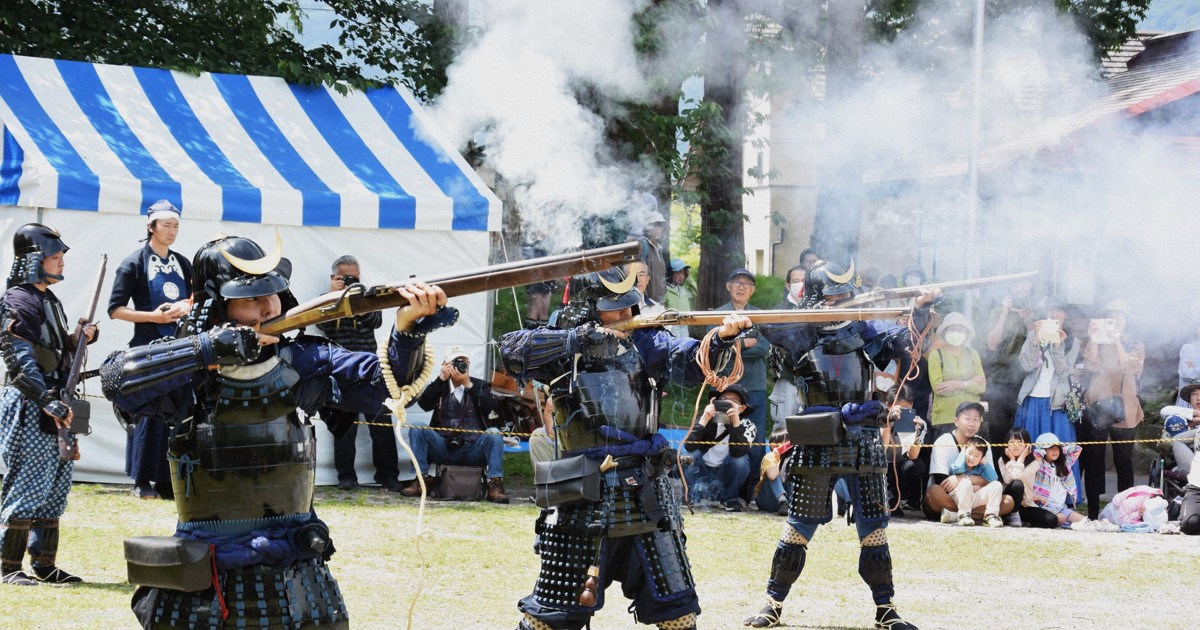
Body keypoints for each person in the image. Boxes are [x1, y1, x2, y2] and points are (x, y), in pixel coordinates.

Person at [100, 233, 452, 627]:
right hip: (208, 570)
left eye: (271, 294)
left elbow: (381, 385)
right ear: (217, 305)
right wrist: (208, 350)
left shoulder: (301, 357)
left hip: (296, 572)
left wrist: (408, 332)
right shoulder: (187, 368)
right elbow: (117, 380)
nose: (268, 307)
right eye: (251, 297)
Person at [501, 266, 751, 630]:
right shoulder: (560, 345)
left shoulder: (646, 341)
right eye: (612, 308)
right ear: (588, 309)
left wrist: (723, 339)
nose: (623, 316)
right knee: (548, 621)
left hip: (645, 489)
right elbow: (511, 350)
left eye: (626, 307)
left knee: (678, 616)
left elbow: (690, 360)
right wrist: (580, 340)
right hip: (581, 495)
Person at [741, 260, 936, 630]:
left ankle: (886, 609)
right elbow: (768, 325)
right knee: (798, 528)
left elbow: (906, 342)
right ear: (816, 297)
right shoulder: (801, 330)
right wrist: (805, 310)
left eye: (845, 294)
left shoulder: (864, 326)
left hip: (863, 437)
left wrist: (921, 309)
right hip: (817, 437)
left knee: (874, 528)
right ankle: (772, 603)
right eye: (832, 296)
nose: (840, 301)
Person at [0, 224, 98, 586]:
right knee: (27, 484)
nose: (60, 263)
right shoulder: (18, 300)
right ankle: (8, 566)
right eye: (54, 257)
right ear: (33, 260)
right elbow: (20, 361)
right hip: (31, 404)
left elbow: (55, 353)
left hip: (56, 401)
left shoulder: (48, 299)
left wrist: (79, 338)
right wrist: (45, 401)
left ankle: (43, 563)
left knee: (54, 487)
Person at [108, 200, 193, 500]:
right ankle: (142, 480)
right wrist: (154, 316)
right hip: (146, 347)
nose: (172, 231)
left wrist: (184, 306)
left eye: (176, 226)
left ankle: (170, 481)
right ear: (151, 226)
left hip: (180, 346)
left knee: (181, 412)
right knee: (149, 411)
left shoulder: (183, 263)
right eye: (166, 225)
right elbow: (115, 309)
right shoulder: (132, 263)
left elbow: (193, 298)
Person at [315, 255, 401, 492]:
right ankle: (346, 476)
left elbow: (375, 321)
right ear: (335, 278)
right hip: (340, 370)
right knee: (344, 427)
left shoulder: (368, 297)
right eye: (346, 277)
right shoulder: (326, 300)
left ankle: (388, 475)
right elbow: (323, 324)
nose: (353, 280)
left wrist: (358, 298)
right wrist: (336, 295)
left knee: (382, 425)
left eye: (356, 277)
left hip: (371, 369)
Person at [407, 345, 508, 503]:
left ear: (468, 365)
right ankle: (421, 480)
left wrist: (468, 385)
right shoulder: (440, 386)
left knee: (494, 433)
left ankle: (495, 483)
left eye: (463, 363)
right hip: (444, 447)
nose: (459, 367)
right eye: (454, 363)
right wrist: (441, 378)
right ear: (445, 365)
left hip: (473, 448)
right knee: (417, 427)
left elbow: (491, 406)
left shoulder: (479, 385)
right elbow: (424, 404)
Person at [1079, 299, 1143, 520]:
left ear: (1127, 320)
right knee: (1093, 459)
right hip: (1098, 404)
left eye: (1120, 315)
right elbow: (1091, 364)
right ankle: (1094, 512)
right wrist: (1094, 338)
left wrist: (1117, 343)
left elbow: (1130, 366)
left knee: (1123, 460)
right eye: (1111, 315)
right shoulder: (1097, 340)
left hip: (1126, 406)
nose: (1115, 319)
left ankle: (1126, 512)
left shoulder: (1135, 343)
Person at [1014, 305, 1081, 492]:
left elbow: (1064, 371)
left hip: (1057, 403)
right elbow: (1026, 365)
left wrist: (1058, 346)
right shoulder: (1032, 335)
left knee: (1057, 451)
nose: (1054, 314)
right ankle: (1027, 494)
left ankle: (1063, 495)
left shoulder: (1072, 341)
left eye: (1059, 311)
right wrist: (1035, 338)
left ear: (1065, 315)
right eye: (1051, 311)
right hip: (1031, 399)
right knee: (1031, 448)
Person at [714, 267, 770, 483]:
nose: (741, 287)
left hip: (755, 387)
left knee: (755, 440)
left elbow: (764, 348)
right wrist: (745, 343)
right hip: (725, 387)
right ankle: (723, 488)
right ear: (728, 287)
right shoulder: (715, 314)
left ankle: (751, 490)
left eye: (746, 284)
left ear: (752, 290)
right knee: (721, 437)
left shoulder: (760, 316)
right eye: (737, 282)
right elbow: (716, 348)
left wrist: (732, 345)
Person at [923, 401, 1015, 520]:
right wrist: (974, 483)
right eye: (967, 419)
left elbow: (990, 480)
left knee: (1008, 502)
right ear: (956, 421)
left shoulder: (984, 445)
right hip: (951, 496)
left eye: (976, 419)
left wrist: (962, 478)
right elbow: (942, 482)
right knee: (934, 493)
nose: (971, 424)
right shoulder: (943, 442)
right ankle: (978, 515)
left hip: (976, 496)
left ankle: (956, 515)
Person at [682, 384, 755, 512]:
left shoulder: (748, 425)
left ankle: (729, 498)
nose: (727, 403)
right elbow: (688, 446)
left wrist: (735, 424)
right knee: (687, 454)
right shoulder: (705, 418)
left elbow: (739, 453)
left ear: (742, 408)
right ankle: (692, 495)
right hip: (702, 470)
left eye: (733, 401)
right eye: (723, 399)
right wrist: (705, 418)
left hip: (725, 473)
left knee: (741, 461)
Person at [983, 282, 1034, 452]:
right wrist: (1005, 312)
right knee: (998, 430)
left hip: (1026, 381)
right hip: (999, 379)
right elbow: (992, 343)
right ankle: (999, 475)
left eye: (1024, 285)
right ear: (1010, 289)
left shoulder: (1035, 312)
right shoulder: (998, 311)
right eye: (1016, 286)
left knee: (1022, 431)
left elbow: (1039, 343)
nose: (1020, 288)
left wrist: (1028, 319)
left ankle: (1019, 472)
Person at [927, 311, 986, 431]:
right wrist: (970, 382)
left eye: (960, 330)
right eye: (952, 329)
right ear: (944, 332)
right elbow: (939, 388)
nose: (956, 333)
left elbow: (981, 386)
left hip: (972, 419)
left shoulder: (972, 353)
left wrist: (957, 384)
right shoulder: (936, 355)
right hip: (945, 417)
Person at [882, 385, 928, 516]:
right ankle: (887, 500)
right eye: (898, 408)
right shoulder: (880, 419)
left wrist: (917, 434)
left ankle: (901, 500)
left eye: (906, 408)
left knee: (915, 466)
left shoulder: (919, 423)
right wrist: (888, 421)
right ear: (888, 405)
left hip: (899, 466)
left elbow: (913, 456)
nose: (901, 412)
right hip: (880, 466)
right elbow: (882, 450)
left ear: (912, 406)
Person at [1026, 432, 1085, 527]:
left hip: (1061, 508)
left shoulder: (1064, 463)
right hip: (1044, 507)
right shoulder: (1039, 464)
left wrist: (1062, 449)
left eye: (1057, 448)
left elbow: (1077, 449)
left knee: (1084, 521)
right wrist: (1041, 451)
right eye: (1050, 448)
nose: (1055, 451)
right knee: (1061, 519)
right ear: (1043, 450)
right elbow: (1036, 454)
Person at [945, 436, 1004, 527]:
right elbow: (957, 469)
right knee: (965, 482)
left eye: (977, 456)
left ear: (982, 457)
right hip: (959, 497)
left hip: (974, 498)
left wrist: (984, 462)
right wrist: (962, 453)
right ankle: (963, 515)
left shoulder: (981, 468)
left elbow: (993, 478)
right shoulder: (960, 462)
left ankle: (990, 516)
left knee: (997, 485)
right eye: (970, 453)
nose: (972, 458)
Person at [998, 428, 1040, 527]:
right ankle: (1013, 515)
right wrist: (1014, 460)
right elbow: (1010, 479)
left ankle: (1021, 518)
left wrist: (1020, 458)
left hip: (1025, 504)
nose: (1015, 445)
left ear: (1027, 445)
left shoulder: (1034, 463)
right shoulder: (1002, 460)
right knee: (1017, 484)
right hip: (1008, 501)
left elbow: (1017, 476)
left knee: (1051, 520)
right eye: (1011, 442)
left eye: (1020, 442)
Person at [1159, 380, 1200, 475]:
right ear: (1189, 398)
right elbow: (1164, 411)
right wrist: (1195, 415)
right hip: (1189, 457)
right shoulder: (1183, 416)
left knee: (1177, 440)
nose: (1198, 398)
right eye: (1194, 394)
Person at [754, 426, 792, 515]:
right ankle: (783, 502)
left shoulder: (791, 458)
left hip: (787, 500)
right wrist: (782, 460)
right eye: (784, 443)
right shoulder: (770, 456)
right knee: (773, 473)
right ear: (773, 445)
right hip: (767, 500)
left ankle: (791, 503)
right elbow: (771, 475)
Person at [664, 258, 693, 338]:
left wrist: (689, 278)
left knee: (685, 345)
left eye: (683, 273)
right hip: (671, 324)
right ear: (671, 274)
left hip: (684, 322)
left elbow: (695, 291)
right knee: (674, 346)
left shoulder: (683, 289)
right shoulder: (665, 289)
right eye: (678, 273)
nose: (682, 276)